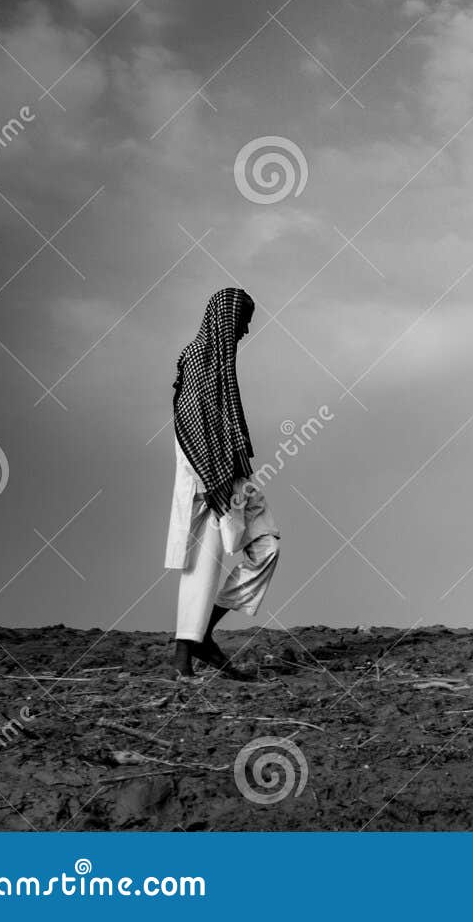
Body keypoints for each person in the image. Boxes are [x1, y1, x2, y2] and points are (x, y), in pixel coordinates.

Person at [164, 288, 281, 681]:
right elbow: (191, 424)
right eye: (244, 320)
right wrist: (211, 485)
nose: (246, 330)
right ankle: (186, 651)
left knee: (266, 546)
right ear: (226, 318)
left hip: (231, 474)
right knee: (203, 564)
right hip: (205, 477)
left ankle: (202, 636)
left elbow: (217, 424)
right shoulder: (198, 356)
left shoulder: (219, 362)